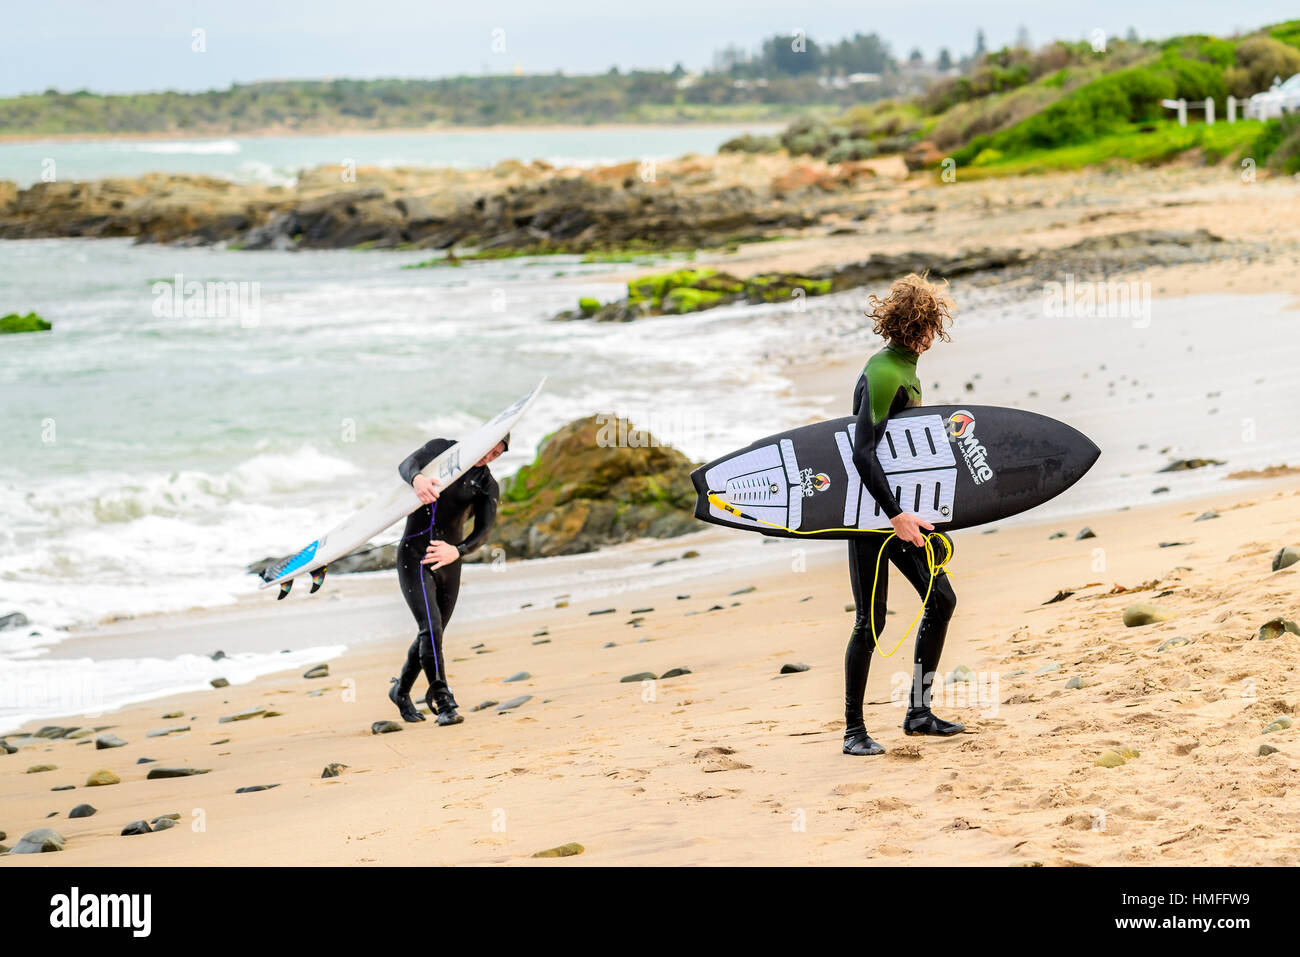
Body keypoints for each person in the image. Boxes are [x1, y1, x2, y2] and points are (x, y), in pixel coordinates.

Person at [844, 274, 964, 756]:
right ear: (923, 326)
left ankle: (918, 711)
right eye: (933, 324)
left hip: (899, 513)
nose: (935, 334)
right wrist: (896, 515)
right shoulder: (885, 372)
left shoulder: (905, 369)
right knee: (869, 621)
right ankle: (853, 732)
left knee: (942, 598)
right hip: (870, 518)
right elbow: (863, 452)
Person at [387, 435, 506, 726]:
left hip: (449, 561)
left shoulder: (486, 484)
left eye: (496, 455)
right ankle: (443, 701)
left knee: (433, 632)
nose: (488, 457)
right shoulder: (442, 451)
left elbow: (483, 532)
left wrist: (458, 550)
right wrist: (417, 479)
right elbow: (407, 464)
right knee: (431, 627)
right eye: (489, 449)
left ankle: (401, 690)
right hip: (414, 555)